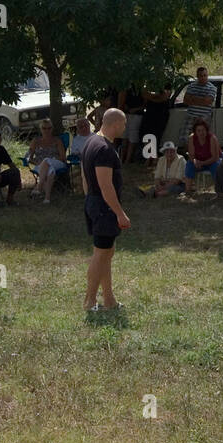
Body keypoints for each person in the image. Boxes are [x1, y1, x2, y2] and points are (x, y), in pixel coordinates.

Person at [81, 108, 130, 311]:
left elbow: (85, 178)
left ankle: (109, 300)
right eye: (124, 124)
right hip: (104, 207)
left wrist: (89, 201)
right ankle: (89, 302)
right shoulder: (104, 149)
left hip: (95, 204)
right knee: (101, 255)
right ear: (115, 124)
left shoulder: (91, 142)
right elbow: (106, 186)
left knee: (107, 252)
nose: (125, 128)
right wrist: (119, 213)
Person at [27, 119, 68, 206]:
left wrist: (52, 159)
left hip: (57, 163)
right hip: (40, 165)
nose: (47, 130)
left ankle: (39, 186)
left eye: (49, 128)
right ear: (40, 129)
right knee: (50, 171)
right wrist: (38, 163)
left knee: (47, 160)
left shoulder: (57, 140)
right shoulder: (36, 141)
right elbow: (29, 157)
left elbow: (63, 157)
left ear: (52, 129)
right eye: (44, 128)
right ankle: (47, 198)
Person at [138, 82, 173, 166]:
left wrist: (152, 97)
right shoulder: (150, 81)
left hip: (161, 113)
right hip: (150, 112)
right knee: (146, 134)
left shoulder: (167, 81)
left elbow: (164, 97)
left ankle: (154, 158)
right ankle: (148, 157)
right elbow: (144, 94)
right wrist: (156, 97)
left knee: (156, 135)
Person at [184, 117, 221, 195]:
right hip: (198, 161)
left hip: (211, 161)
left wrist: (202, 163)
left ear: (206, 130)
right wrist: (195, 162)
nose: (201, 132)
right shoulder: (192, 138)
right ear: (195, 131)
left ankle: (219, 192)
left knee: (217, 167)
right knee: (189, 165)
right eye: (199, 130)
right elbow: (191, 155)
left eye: (203, 130)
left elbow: (215, 157)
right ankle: (188, 191)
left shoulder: (212, 138)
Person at [181, 67, 217, 140]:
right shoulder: (191, 86)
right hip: (191, 115)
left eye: (205, 75)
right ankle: (187, 150)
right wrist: (202, 99)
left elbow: (207, 102)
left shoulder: (211, 87)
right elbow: (185, 100)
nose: (203, 77)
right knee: (185, 137)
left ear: (207, 75)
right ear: (197, 76)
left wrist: (193, 98)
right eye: (201, 75)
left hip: (204, 117)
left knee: (203, 138)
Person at [119, 85, 146, 163]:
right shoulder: (127, 89)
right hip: (127, 115)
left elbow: (144, 104)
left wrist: (135, 109)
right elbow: (122, 102)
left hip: (137, 116)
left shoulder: (142, 90)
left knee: (132, 139)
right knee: (125, 138)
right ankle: (121, 159)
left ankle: (128, 159)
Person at [68, 115, 93, 193]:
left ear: (89, 126)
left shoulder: (96, 136)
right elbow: (74, 154)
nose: (84, 128)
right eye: (81, 127)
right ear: (77, 128)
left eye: (85, 125)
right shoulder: (76, 140)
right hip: (81, 161)